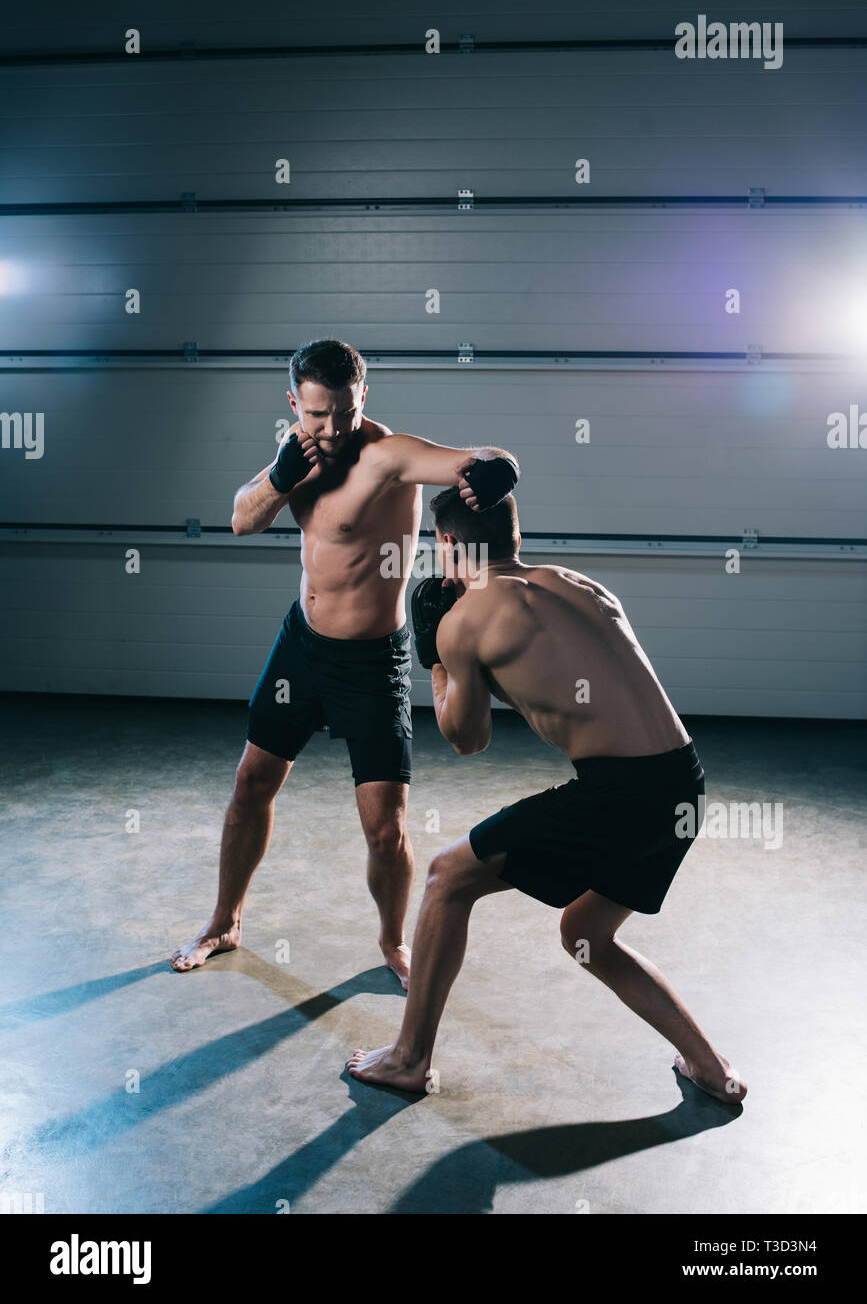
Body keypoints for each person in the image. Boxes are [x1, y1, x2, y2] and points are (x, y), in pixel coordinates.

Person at [348, 487, 747, 1103]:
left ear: (447, 543)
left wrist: (435, 654)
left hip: (621, 794)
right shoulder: (579, 584)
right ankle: (709, 1065)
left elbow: (466, 738)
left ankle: (408, 1059)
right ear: (515, 533)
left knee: (446, 878)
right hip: (684, 784)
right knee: (587, 934)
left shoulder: (465, 621)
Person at [170, 339, 518, 988]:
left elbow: (476, 459)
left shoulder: (386, 456)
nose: (330, 429)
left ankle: (392, 941)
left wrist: (491, 468)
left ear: (364, 396)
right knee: (251, 785)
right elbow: (242, 521)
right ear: (294, 403)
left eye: (343, 413)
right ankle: (224, 921)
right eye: (315, 415)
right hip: (300, 649)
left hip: (370, 665)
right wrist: (277, 476)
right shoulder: (296, 453)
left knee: (386, 831)